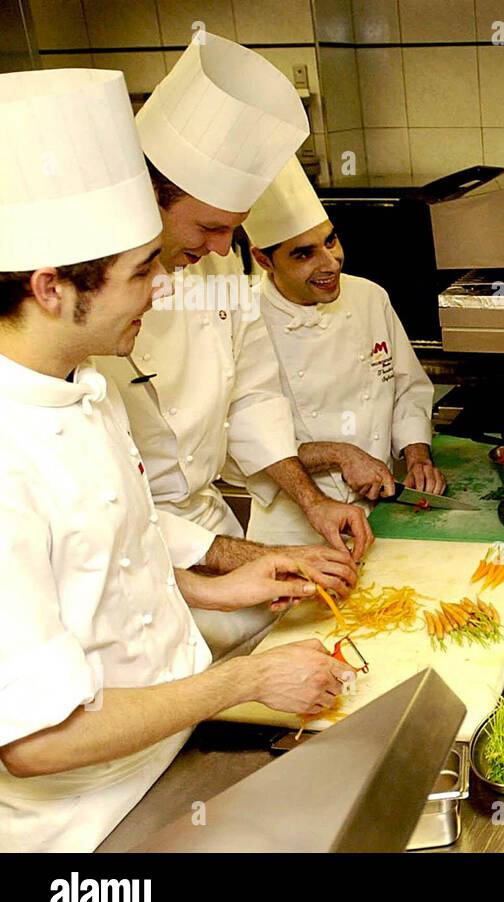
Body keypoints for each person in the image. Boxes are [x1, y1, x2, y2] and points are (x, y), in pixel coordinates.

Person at [0, 68, 355, 852]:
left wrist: (218, 585)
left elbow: (108, 565)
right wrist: (247, 680)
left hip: (169, 752)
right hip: (87, 822)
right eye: (140, 272)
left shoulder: (83, 389)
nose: (163, 289)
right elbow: (32, 740)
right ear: (51, 287)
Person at [92, 32, 371, 655]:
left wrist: (312, 501)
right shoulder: (90, 304)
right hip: (143, 559)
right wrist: (261, 554)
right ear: (150, 201)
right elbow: (110, 508)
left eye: (234, 231)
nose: (222, 249)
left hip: (207, 523)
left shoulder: (216, 267)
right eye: (211, 227)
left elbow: (251, 396)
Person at [238, 158, 442, 546]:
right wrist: (339, 454)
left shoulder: (369, 297)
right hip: (292, 523)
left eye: (330, 241)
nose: (330, 262)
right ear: (264, 260)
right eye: (303, 254)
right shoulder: (242, 320)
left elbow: (408, 389)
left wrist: (417, 456)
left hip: (380, 506)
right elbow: (240, 442)